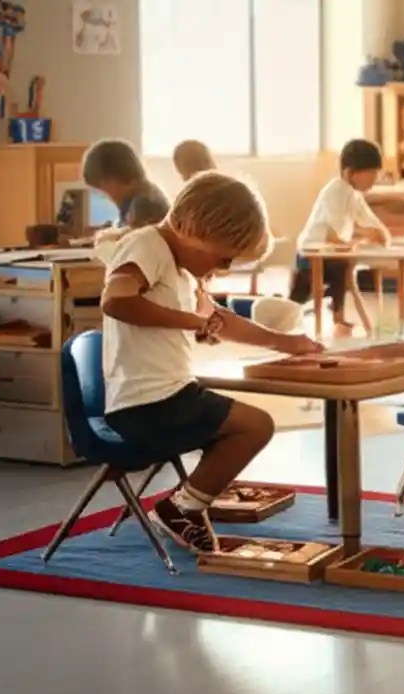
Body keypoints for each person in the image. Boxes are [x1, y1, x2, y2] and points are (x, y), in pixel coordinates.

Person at [100, 171, 323, 554]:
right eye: (223, 257)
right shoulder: (147, 245)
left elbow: (220, 320)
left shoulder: (182, 270)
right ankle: (181, 508)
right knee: (254, 426)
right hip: (146, 403)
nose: (224, 268)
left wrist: (286, 342)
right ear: (197, 231)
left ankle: (188, 504)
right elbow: (116, 301)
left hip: (168, 396)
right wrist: (191, 321)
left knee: (242, 426)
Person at [289, 139, 392, 330]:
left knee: (341, 270)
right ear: (350, 172)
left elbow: (367, 218)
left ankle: (338, 315)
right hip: (311, 253)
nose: (373, 181)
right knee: (299, 297)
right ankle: (287, 317)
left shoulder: (353, 194)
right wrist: (352, 243)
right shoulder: (335, 191)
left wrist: (380, 232)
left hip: (332, 254)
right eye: (370, 176)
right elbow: (331, 232)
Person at [81, 138, 171, 229]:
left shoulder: (143, 205)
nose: (105, 195)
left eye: (103, 186)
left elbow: (133, 236)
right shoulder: (139, 197)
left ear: (120, 174)